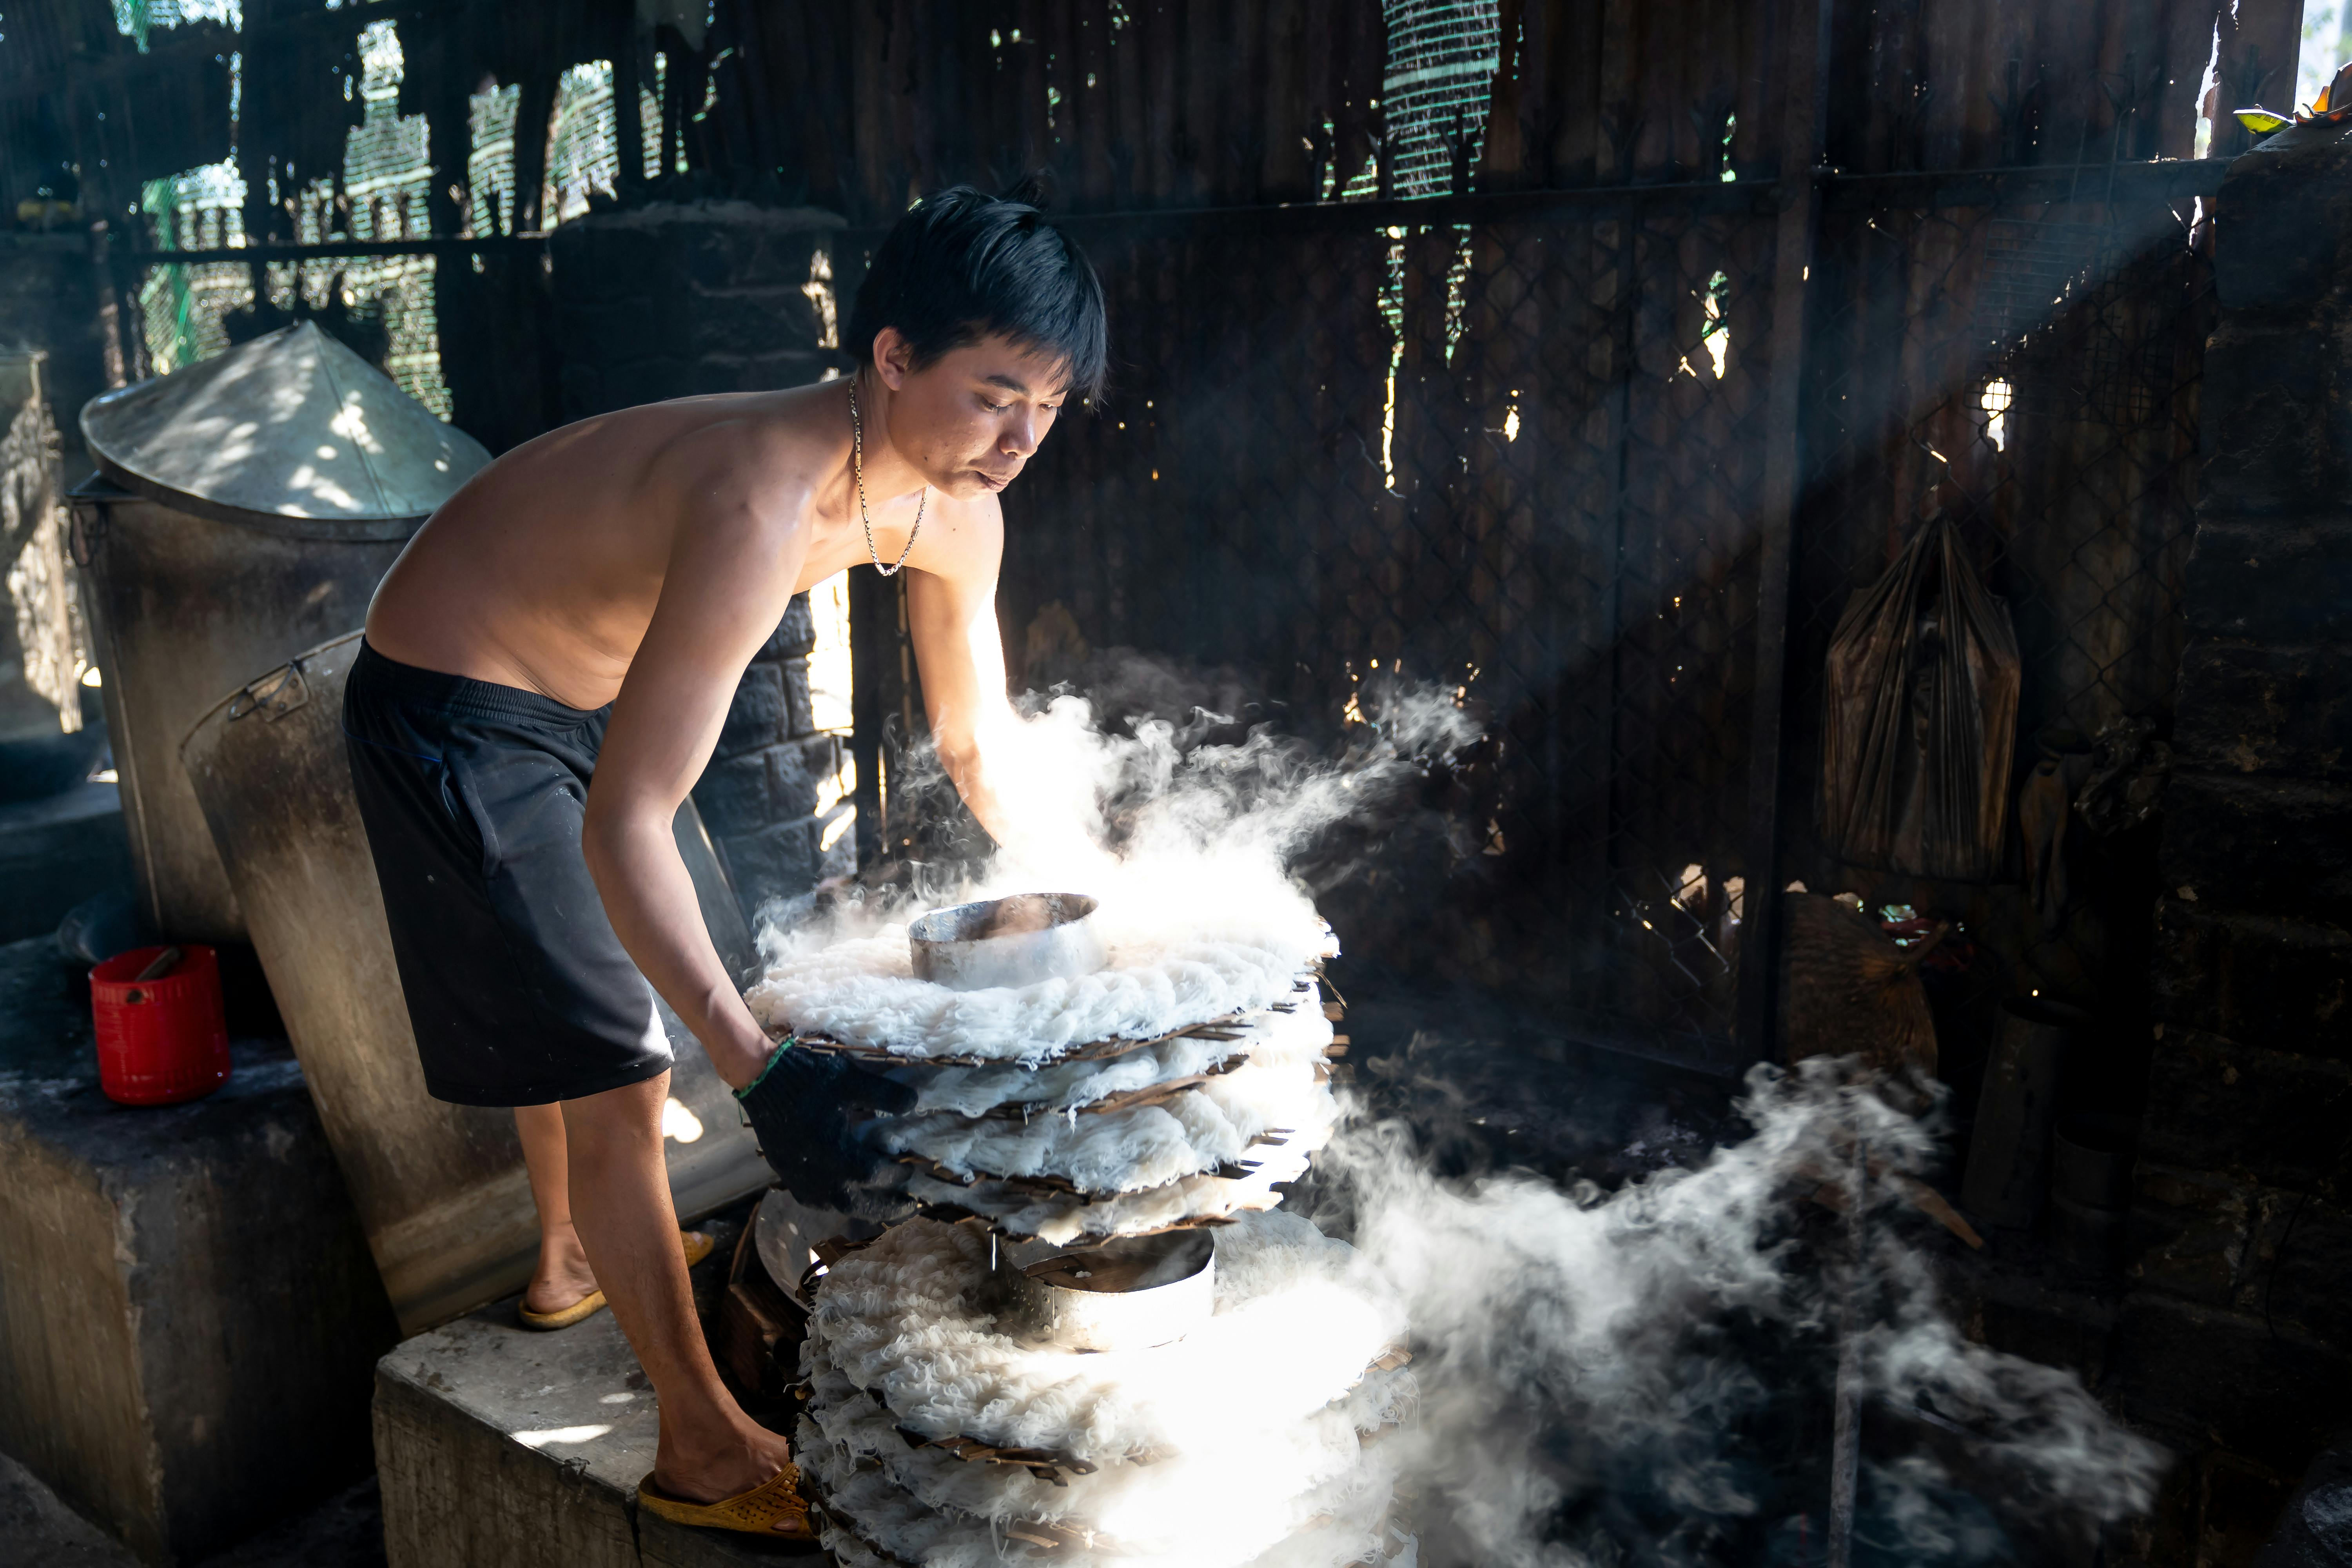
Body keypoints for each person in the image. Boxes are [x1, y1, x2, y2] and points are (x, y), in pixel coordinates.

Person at [343, 183, 1106, 1539]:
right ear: (890, 354)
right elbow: (623, 826)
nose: (1021, 438)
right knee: (624, 1050)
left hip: (579, 683)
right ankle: (698, 1443)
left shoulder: (953, 507)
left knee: (590, 992)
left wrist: (1106, 913)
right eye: (996, 393)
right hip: (452, 687)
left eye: (1048, 405)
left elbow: (979, 744)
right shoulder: (762, 494)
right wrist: (758, 1064)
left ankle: (573, 1253)